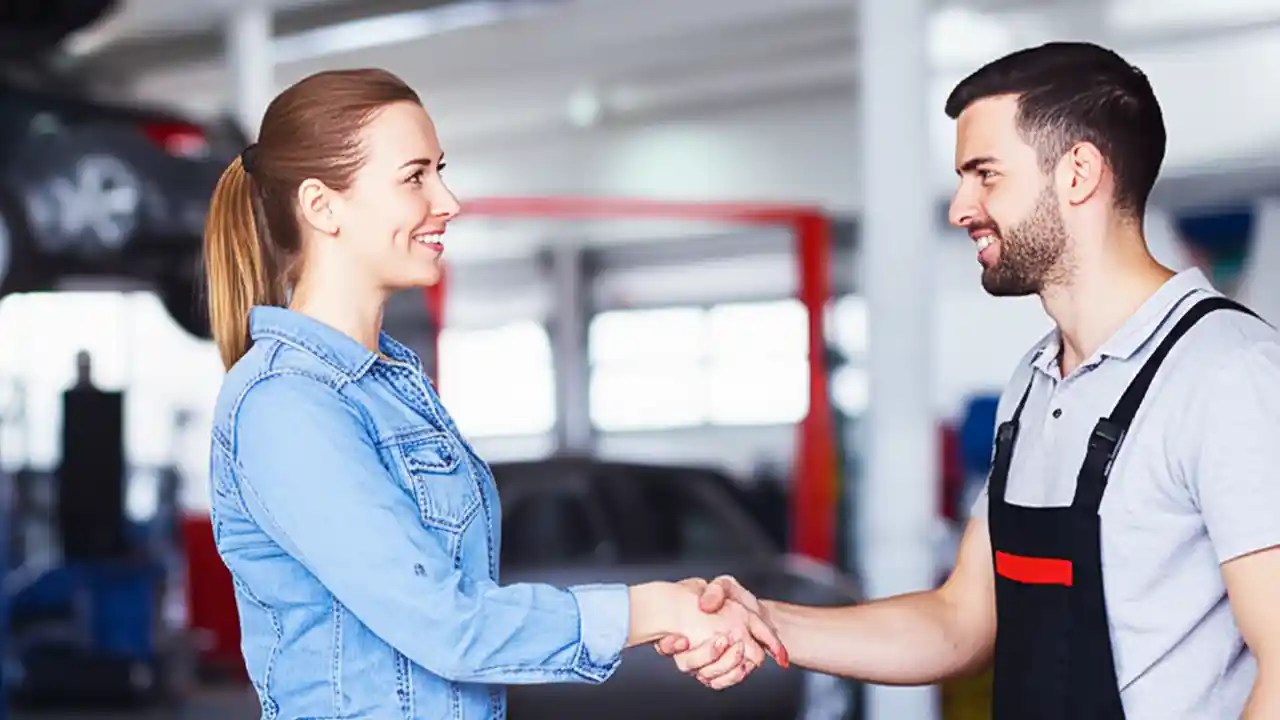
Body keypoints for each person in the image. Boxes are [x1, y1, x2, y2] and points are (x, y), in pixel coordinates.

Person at [660, 41, 1280, 719]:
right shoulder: (1035, 381)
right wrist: (766, 621)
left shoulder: (1227, 372)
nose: (960, 207)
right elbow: (959, 621)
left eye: (985, 174)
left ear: (1077, 173)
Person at [201, 68, 783, 720]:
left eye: (440, 171)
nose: (447, 200)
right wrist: (653, 609)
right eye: (415, 176)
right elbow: (446, 626)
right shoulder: (287, 403)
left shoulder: (392, 389)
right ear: (321, 205)